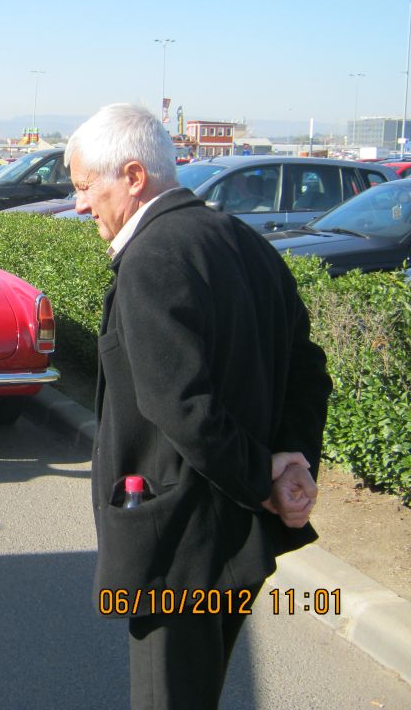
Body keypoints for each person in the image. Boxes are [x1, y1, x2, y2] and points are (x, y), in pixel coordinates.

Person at [65, 103, 332, 710]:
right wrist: (291, 462)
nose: (79, 205)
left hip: (175, 548)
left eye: (85, 187)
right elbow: (308, 371)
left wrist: (264, 478)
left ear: (134, 177)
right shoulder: (246, 242)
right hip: (240, 545)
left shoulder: (151, 259)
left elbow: (181, 404)